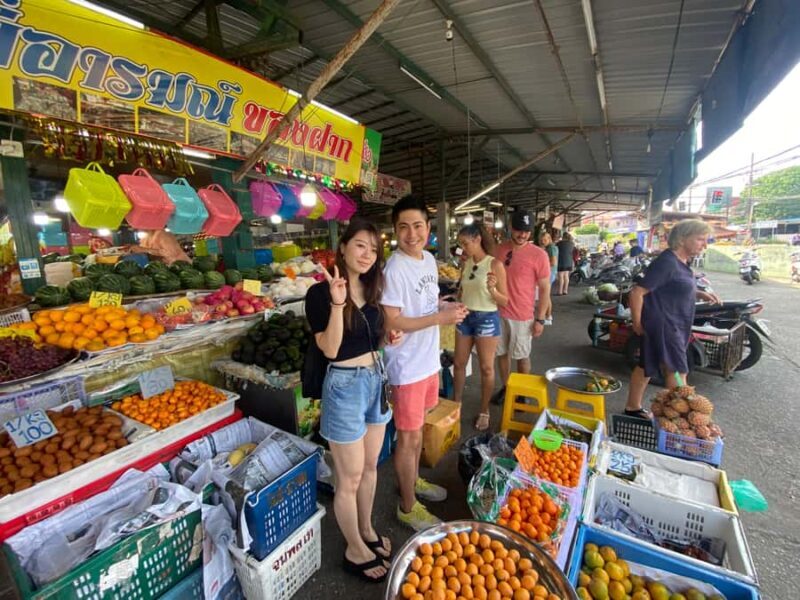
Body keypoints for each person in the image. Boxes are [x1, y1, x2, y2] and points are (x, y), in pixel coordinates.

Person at [305, 219, 403, 583]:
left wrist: (386, 337)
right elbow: (330, 348)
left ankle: (366, 528)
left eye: (374, 249)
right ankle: (353, 548)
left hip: (376, 380)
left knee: (372, 467)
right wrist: (337, 303)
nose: (367, 255)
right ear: (343, 247)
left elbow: (371, 337)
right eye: (361, 245)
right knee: (349, 478)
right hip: (343, 386)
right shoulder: (319, 294)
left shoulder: (373, 286)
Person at [382, 195, 469, 531]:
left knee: (417, 434)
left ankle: (413, 480)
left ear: (428, 229)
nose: (411, 233)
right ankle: (407, 507)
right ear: (395, 231)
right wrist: (438, 318)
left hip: (427, 361)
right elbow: (393, 321)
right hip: (406, 368)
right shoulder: (394, 268)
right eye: (403, 227)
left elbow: (425, 302)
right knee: (407, 439)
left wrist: (445, 306)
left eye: (417, 226)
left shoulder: (429, 260)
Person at [624, 219, 721, 418]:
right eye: (700, 239)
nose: (704, 244)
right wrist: (637, 323)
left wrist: (699, 294)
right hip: (666, 325)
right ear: (682, 239)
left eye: (706, 240)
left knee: (646, 365)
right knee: (677, 369)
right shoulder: (667, 262)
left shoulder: (681, 261)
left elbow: (672, 287)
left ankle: (632, 407)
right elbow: (637, 292)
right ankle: (681, 419)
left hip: (672, 322)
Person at [453, 223, 508, 431]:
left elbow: (504, 301)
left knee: (486, 367)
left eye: (465, 243)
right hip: (465, 315)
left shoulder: (495, 265)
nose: (463, 248)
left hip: (486, 318)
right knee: (458, 363)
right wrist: (457, 298)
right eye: (461, 244)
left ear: (477, 239)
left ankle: (484, 410)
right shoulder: (466, 263)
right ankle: (456, 404)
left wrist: (492, 290)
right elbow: (463, 290)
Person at [491, 211, 551, 402]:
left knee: (522, 356)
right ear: (511, 227)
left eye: (526, 231)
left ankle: (522, 392)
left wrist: (540, 318)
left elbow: (544, 289)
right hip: (498, 312)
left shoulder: (539, 255)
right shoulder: (500, 249)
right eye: (518, 230)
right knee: (501, 354)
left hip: (523, 315)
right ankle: (507, 386)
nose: (522, 235)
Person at [539, 231, 558, 324]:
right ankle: (548, 316)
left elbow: (553, 262)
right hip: (551, 273)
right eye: (542, 240)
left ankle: (548, 316)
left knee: (546, 295)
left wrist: (542, 265)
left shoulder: (550, 248)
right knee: (546, 295)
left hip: (549, 273)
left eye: (545, 240)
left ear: (549, 239)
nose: (543, 241)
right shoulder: (550, 247)